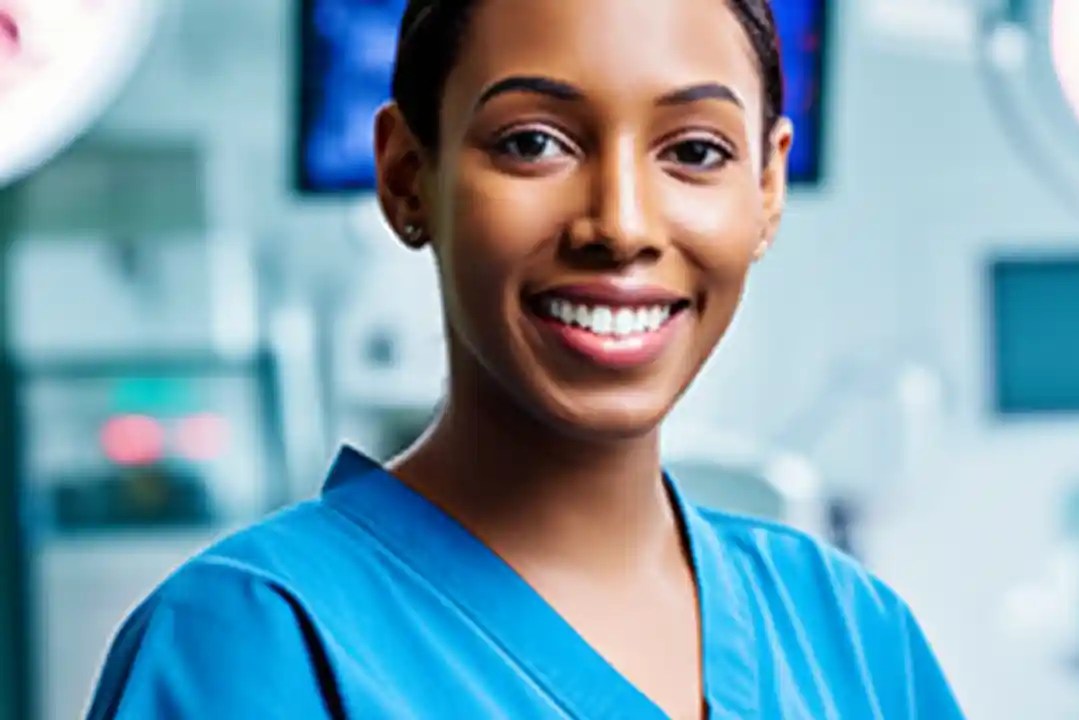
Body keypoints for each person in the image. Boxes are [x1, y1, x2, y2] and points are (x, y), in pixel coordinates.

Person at [86, 0, 966, 717]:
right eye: (533, 142)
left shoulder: (849, 636)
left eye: (694, 152)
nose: (620, 224)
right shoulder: (256, 644)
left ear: (766, 190)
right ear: (404, 176)